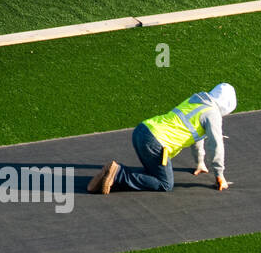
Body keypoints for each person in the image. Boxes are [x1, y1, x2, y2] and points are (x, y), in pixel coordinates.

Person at [89, 83, 237, 194]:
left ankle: (111, 176)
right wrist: (219, 175)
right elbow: (216, 145)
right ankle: (119, 173)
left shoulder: (197, 101)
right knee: (164, 184)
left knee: (153, 172)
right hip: (155, 143)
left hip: (142, 130)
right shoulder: (213, 114)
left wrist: (200, 162)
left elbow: (197, 135)